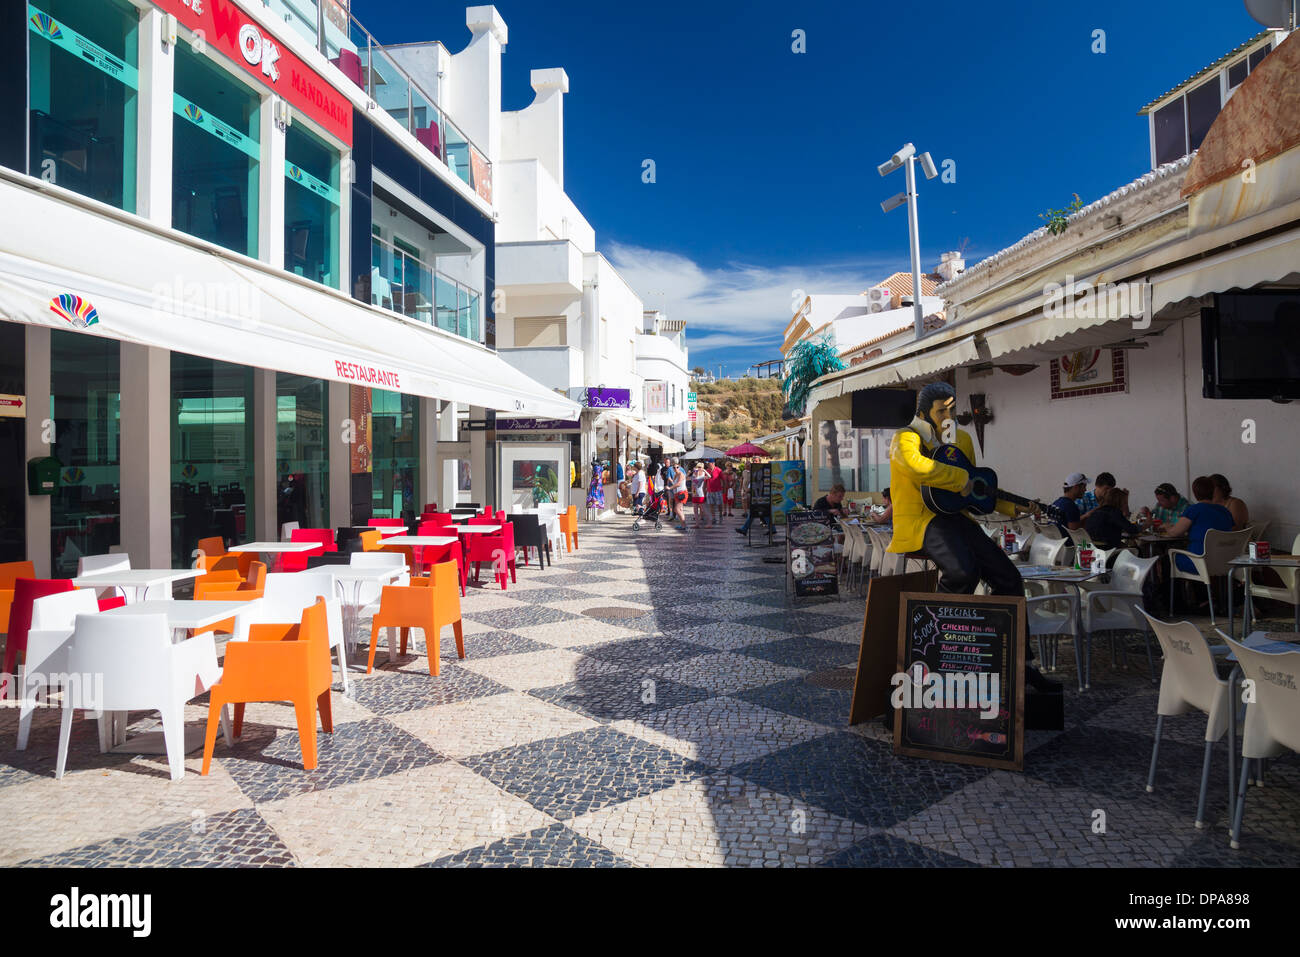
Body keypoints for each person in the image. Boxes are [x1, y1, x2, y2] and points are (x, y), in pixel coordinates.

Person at [887, 381, 1058, 692]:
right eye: (941, 411)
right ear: (924, 412)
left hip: (956, 518)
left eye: (951, 410)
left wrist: (1015, 506)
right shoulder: (905, 438)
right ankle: (932, 649)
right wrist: (959, 477)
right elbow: (916, 467)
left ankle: (1016, 661)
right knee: (962, 571)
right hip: (922, 521)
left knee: (1009, 578)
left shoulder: (961, 439)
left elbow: (976, 489)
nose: (947, 416)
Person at [1166, 476, 1234, 576]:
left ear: (1195, 493)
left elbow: (1174, 533)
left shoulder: (1194, 510)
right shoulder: (1225, 511)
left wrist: (1167, 527)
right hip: (1224, 562)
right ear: (1213, 491)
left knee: (1167, 558)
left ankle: (1176, 592)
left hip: (1198, 562)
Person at [689, 462, 708, 527]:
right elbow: (687, 479)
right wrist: (689, 473)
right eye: (697, 467)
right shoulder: (693, 476)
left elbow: (709, 476)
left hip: (700, 495)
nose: (698, 469)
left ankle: (709, 522)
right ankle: (697, 524)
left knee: (703, 509)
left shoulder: (702, 476)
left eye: (700, 467)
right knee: (695, 511)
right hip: (694, 495)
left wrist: (705, 470)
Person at [706, 460, 725, 526]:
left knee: (719, 504)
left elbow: (723, 479)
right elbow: (705, 481)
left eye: (709, 463)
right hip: (709, 491)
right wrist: (704, 489)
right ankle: (714, 518)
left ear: (713, 463)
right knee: (711, 505)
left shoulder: (719, 470)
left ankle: (720, 515)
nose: (708, 465)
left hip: (718, 490)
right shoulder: (707, 470)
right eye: (707, 464)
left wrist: (724, 489)